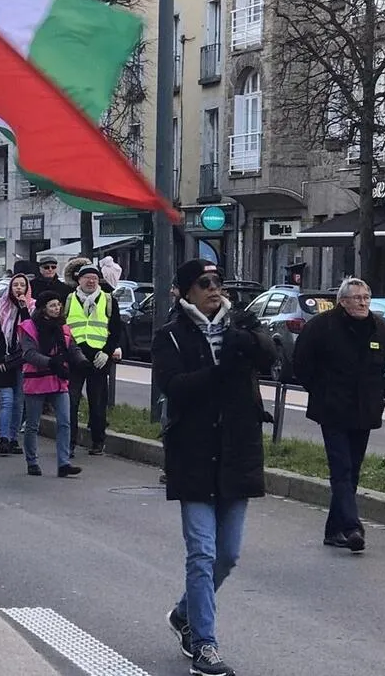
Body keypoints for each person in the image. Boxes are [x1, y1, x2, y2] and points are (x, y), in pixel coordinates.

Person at [153, 259, 275, 676]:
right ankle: (205, 645)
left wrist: (241, 337)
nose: (213, 289)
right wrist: (217, 373)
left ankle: (184, 614)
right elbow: (172, 386)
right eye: (203, 283)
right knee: (202, 553)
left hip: (237, 453)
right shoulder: (170, 335)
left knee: (228, 554)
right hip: (193, 455)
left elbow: (268, 355)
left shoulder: (241, 321)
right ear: (186, 291)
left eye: (217, 282)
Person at [292, 277, 385, 553]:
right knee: (341, 469)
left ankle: (333, 529)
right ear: (343, 301)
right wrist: (321, 390)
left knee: (353, 470)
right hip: (332, 408)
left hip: (364, 410)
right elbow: (301, 363)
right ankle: (351, 527)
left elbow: (382, 363)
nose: (362, 302)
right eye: (356, 298)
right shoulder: (321, 327)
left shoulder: (380, 328)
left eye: (365, 298)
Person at [18, 290, 87, 477]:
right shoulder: (29, 327)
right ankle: (32, 461)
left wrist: (81, 361)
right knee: (32, 424)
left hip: (58, 380)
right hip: (37, 380)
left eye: (58, 305)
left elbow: (72, 347)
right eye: (52, 306)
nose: (57, 309)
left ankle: (63, 463)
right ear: (43, 309)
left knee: (65, 422)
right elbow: (29, 354)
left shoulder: (63, 327)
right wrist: (50, 362)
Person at [64, 264, 122, 457]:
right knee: (70, 402)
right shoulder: (69, 299)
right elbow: (62, 328)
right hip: (74, 357)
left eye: (94, 279)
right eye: (87, 278)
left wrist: (107, 352)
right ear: (79, 280)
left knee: (97, 402)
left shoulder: (108, 299)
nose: (91, 281)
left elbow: (116, 330)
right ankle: (69, 443)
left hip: (99, 358)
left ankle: (98, 442)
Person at [0, 274, 34, 456]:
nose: (19, 288)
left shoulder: (33, 307)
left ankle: (14, 438)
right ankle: (3, 437)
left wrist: (23, 308)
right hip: (4, 360)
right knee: (7, 400)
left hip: (23, 360)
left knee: (19, 402)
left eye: (22, 285)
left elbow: (30, 330)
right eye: (16, 285)